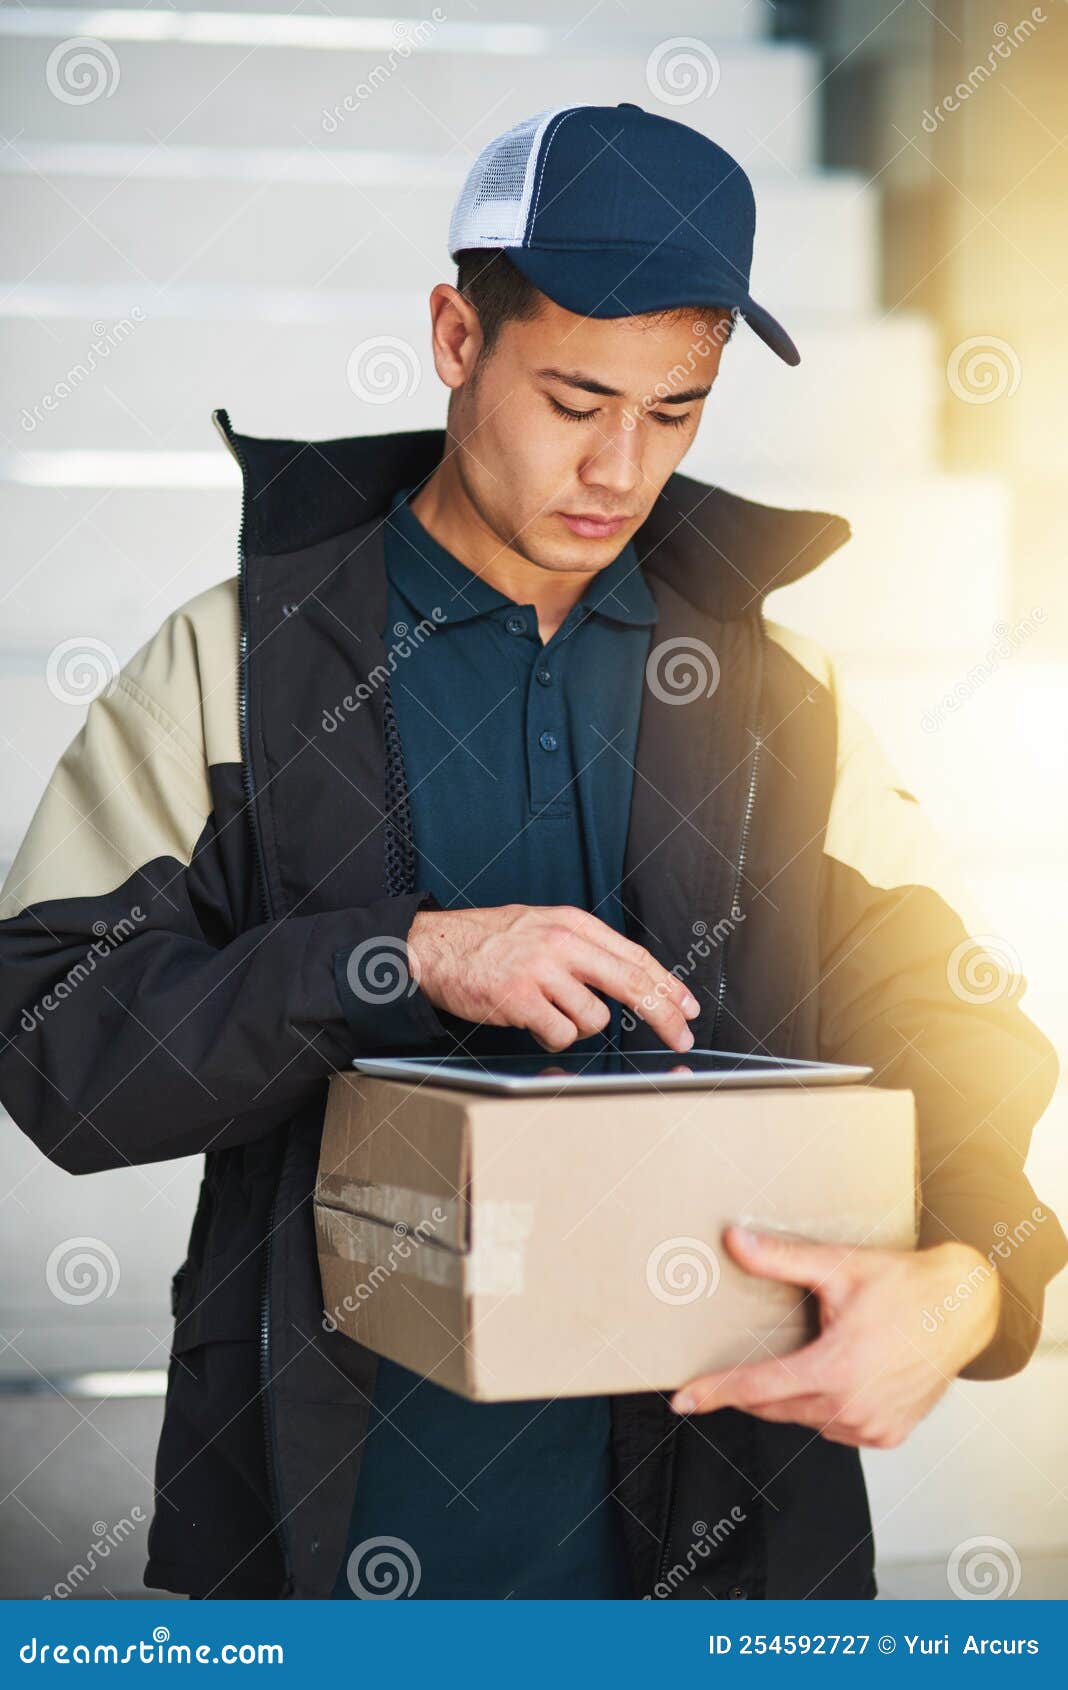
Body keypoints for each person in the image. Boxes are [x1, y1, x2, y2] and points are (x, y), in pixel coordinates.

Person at [0, 103, 1064, 1602]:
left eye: (677, 410)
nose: (621, 468)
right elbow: (55, 1038)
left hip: (724, 1535)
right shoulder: (237, 663)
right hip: (328, 1539)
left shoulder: (780, 693)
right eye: (574, 397)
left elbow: (950, 1010)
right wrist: (405, 956)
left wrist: (972, 1275)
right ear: (454, 336)